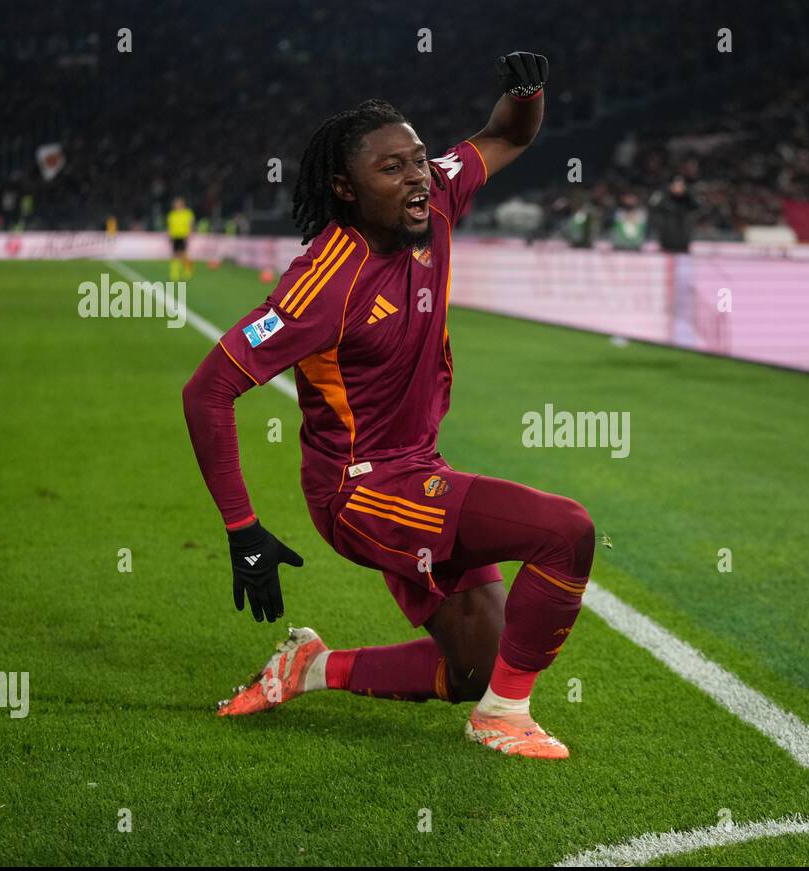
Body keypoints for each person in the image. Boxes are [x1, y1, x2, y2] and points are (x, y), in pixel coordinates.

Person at [182, 53, 594, 761]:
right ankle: (504, 718)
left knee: (473, 666)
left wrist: (526, 93)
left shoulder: (433, 199)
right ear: (345, 188)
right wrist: (242, 529)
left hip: (420, 467)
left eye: (418, 159)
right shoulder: (325, 284)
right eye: (393, 168)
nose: (418, 178)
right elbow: (208, 389)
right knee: (566, 531)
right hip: (361, 490)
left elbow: (509, 135)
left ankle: (313, 667)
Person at [648, 175, 698, 253]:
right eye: (676, 185)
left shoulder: (688, 198)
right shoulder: (664, 195)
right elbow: (652, 205)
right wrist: (665, 192)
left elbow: (698, 206)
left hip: (683, 244)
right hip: (666, 243)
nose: (678, 188)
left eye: (681, 185)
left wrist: (688, 193)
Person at [167, 197, 195, 280]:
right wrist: (169, 235)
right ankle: (174, 274)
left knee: (183, 255)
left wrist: (188, 235)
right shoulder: (171, 214)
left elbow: (190, 225)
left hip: (183, 236)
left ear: (182, 204)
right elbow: (170, 226)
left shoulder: (187, 213)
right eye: (175, 204)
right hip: (175, 236)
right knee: (175, 254)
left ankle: (188, 271)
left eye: (178, 204)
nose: (176, 205)